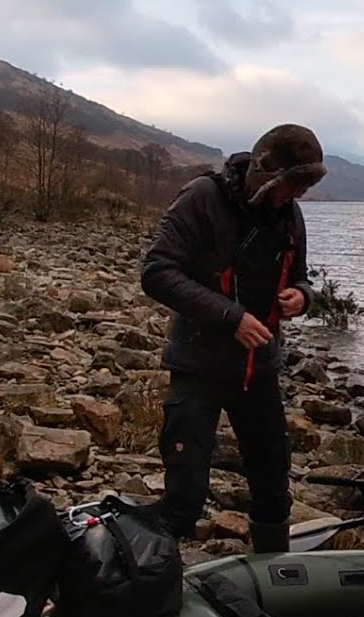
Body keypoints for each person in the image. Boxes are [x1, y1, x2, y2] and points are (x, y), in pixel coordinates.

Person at [139, 123, 326, 552]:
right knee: (184, 502)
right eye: (292, 185)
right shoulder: (202, 198)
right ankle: (145, 577)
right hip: (198, 365)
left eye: (304, 186)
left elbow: (301, 277)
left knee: (275, 494)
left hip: (258, 371)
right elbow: (156, 271)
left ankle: (275, 584)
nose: (297, 196)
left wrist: (302, 296)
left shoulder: (290, 215)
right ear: (266, 172)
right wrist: (231, 317)